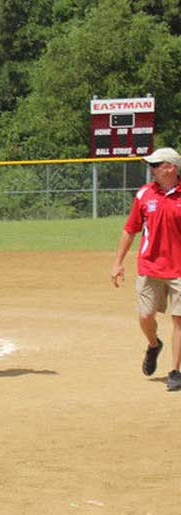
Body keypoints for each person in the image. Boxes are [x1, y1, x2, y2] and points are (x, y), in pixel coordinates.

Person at [111, 147, 181, 391]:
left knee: (179, 320)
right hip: (149, 266)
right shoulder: (144, 194)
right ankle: (153, 345)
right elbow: (130, 229)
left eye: (155, 164)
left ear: (170, 167)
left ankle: (174, 371)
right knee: (145, 315)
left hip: (179, 269)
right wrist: (118, 262)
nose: (151, 169)